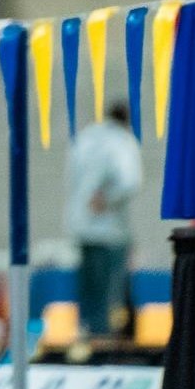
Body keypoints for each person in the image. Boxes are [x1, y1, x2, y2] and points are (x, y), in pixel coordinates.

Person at [67, 101, 142, 337]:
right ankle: (106, 341)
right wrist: (108, 199)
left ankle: (87, 335)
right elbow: (131, 181)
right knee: (110, 293)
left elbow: (71, 179)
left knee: (88, 291)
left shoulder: (84, 139)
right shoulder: (122, 142)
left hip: (82, 226)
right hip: (110, 230)